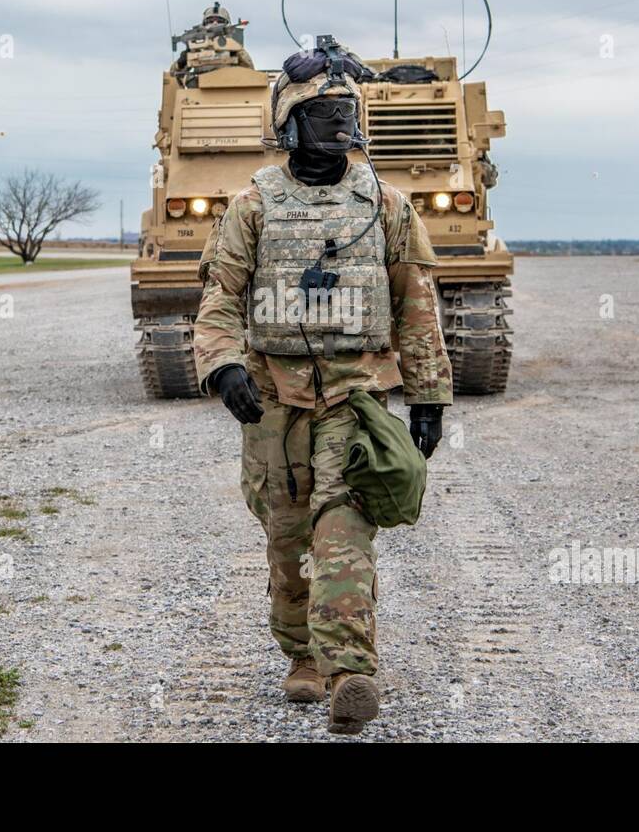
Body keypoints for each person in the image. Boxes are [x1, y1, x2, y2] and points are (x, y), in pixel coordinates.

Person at [192, 37, 452, 734]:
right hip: (274, 404)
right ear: (290, 122)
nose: (337, 122)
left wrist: (428, 395)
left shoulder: (387, 206)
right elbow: (220, 296)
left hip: (352, 398)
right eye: (321, 111)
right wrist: (222, 367)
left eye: (345, 110)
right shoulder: (253, 206)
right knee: (288, 540)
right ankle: (301, 654)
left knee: (343, 534)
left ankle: (349, 674)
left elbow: (416, 302)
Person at [170, 2, 254, 86]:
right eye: (210, 20)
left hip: (229, 89)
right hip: (200, 92)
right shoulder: (196, 48)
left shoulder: (233, 47)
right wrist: (182, 61)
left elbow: (250, 72)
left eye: (220, 21)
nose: (215, 23)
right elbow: (172, 73)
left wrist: (236, 52)